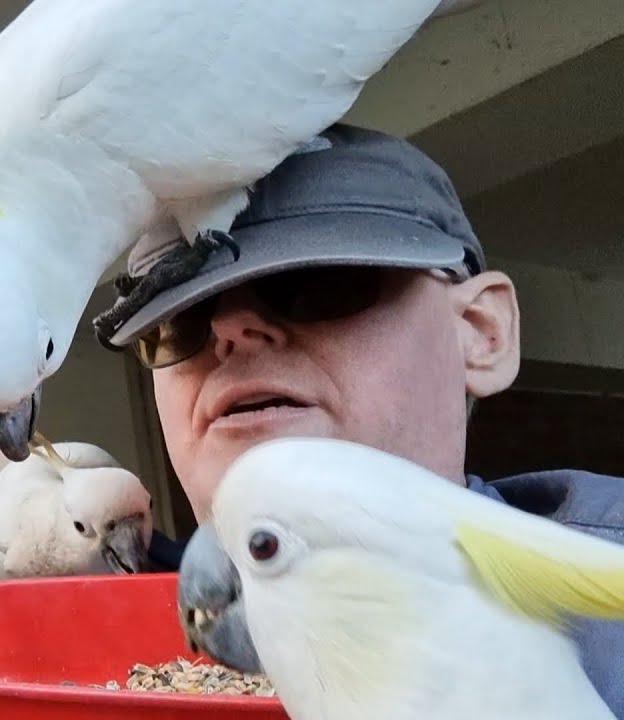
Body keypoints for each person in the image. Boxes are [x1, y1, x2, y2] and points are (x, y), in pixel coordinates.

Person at [92, 123, 623, 715]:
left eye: (317, 285)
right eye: (179, 322)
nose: (229, 328)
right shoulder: (105, 667)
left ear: (480, 334)